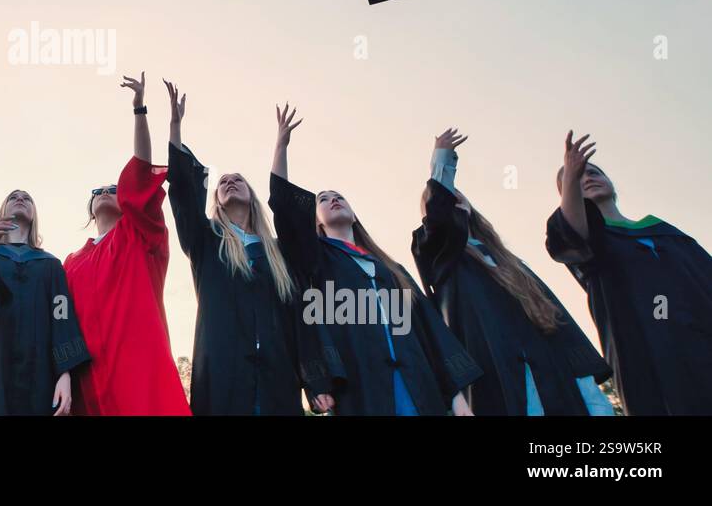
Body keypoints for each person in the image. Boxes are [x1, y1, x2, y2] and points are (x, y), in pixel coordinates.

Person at [268, 103, 481, 415]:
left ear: (355, 215)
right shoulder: (318, 262)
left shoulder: (390, 270)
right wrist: (281, 146)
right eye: (323, 199)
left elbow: (430, 332)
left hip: (417, 384)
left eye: (339, 196)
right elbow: (285, 210)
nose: (333, 199)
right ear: (317, 223)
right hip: (362, 385)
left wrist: (458, 398)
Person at [413, 128, 612, 415]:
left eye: (459, 195)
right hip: (497, 373)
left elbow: (558, 323)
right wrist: (442, 160)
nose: (453, 198)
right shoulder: (439, 257)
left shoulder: (510, 263)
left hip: (551, 374)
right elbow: (438, 215)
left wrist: (591, 394)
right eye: (446, 197)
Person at [164, 80, 334, 415]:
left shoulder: (279, 253)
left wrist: (281, 146)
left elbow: (285, 204)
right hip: (224, 373)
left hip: (276, 375)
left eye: (238, 178)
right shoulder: (207, 242)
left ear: (252, 196)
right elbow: (183, 195)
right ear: (217, 202)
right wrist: (175, 127)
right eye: (223, 181)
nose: (229, 181)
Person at [547, 131, 712, 414]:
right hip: (651, 359)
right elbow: (571, 233)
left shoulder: (667, 233)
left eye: (595, 172)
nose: (588, 177)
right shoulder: (592, 244)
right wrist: (569, 176)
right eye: (578, 177)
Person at [63, 72, 190, 416]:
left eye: (112, 188)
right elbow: (60, 322)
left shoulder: (138, 236)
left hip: (136, 368)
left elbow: (140, 172)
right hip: (86, 374)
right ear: (90, 210)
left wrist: (140, 111)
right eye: (97, 192)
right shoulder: (70, 262)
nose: (105, 192)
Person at [0, 190, 89, 415]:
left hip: (38, 372)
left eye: (27, 198)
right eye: (13, 197)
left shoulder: (51, 266)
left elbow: (62, 317)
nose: (20, 199)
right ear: (2, 211)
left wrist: (65, 375)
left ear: (34, 214)